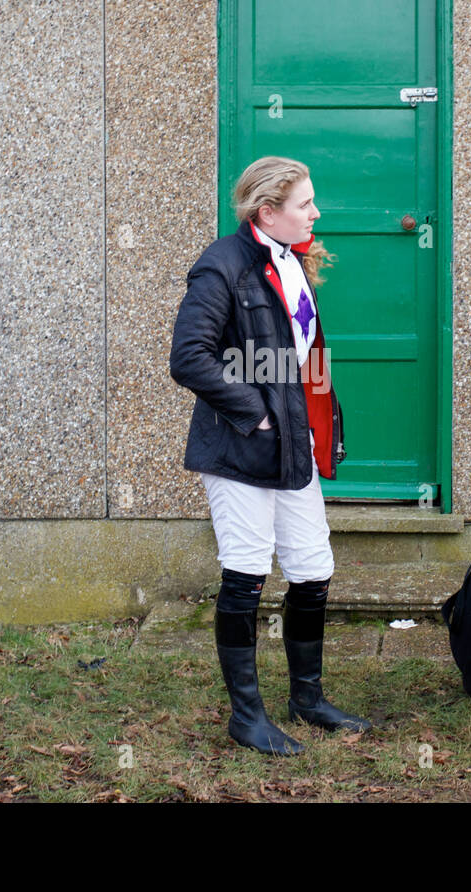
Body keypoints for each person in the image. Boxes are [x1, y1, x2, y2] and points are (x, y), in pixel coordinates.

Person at [169, 156, 371, 756]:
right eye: (305, 203)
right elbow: (189, 356)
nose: (316, 212)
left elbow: (304, 356)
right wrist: (253, 411)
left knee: (313, 568)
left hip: (294, 447)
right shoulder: (222, 266)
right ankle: (246, 716)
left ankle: (306, 698)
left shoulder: (292, 261)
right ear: (267, 212)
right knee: (248, 572)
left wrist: (317, 422)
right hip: (240, 449)